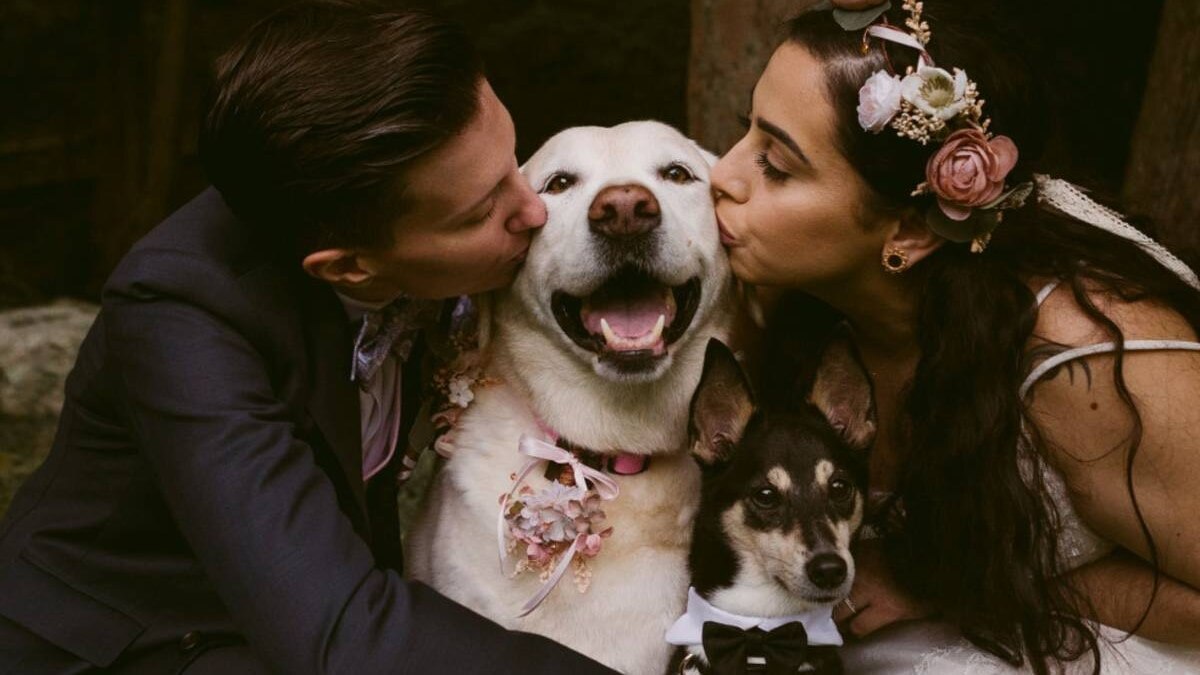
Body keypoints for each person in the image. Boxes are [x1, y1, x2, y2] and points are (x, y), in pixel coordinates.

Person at [0, 2, 617, 673]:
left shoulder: (417, 215)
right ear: (349, 267)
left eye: (512, 162)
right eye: (481, 211)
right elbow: (341, 634)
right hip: (133, 639)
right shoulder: (180, 314)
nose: (533, 209)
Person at [710, 0, 1200, 672]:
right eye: (744, 132)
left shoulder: (1085, 361)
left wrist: (952, 587)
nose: (722, 174)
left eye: (776, 164)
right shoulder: (790, 297)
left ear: (910, 231)